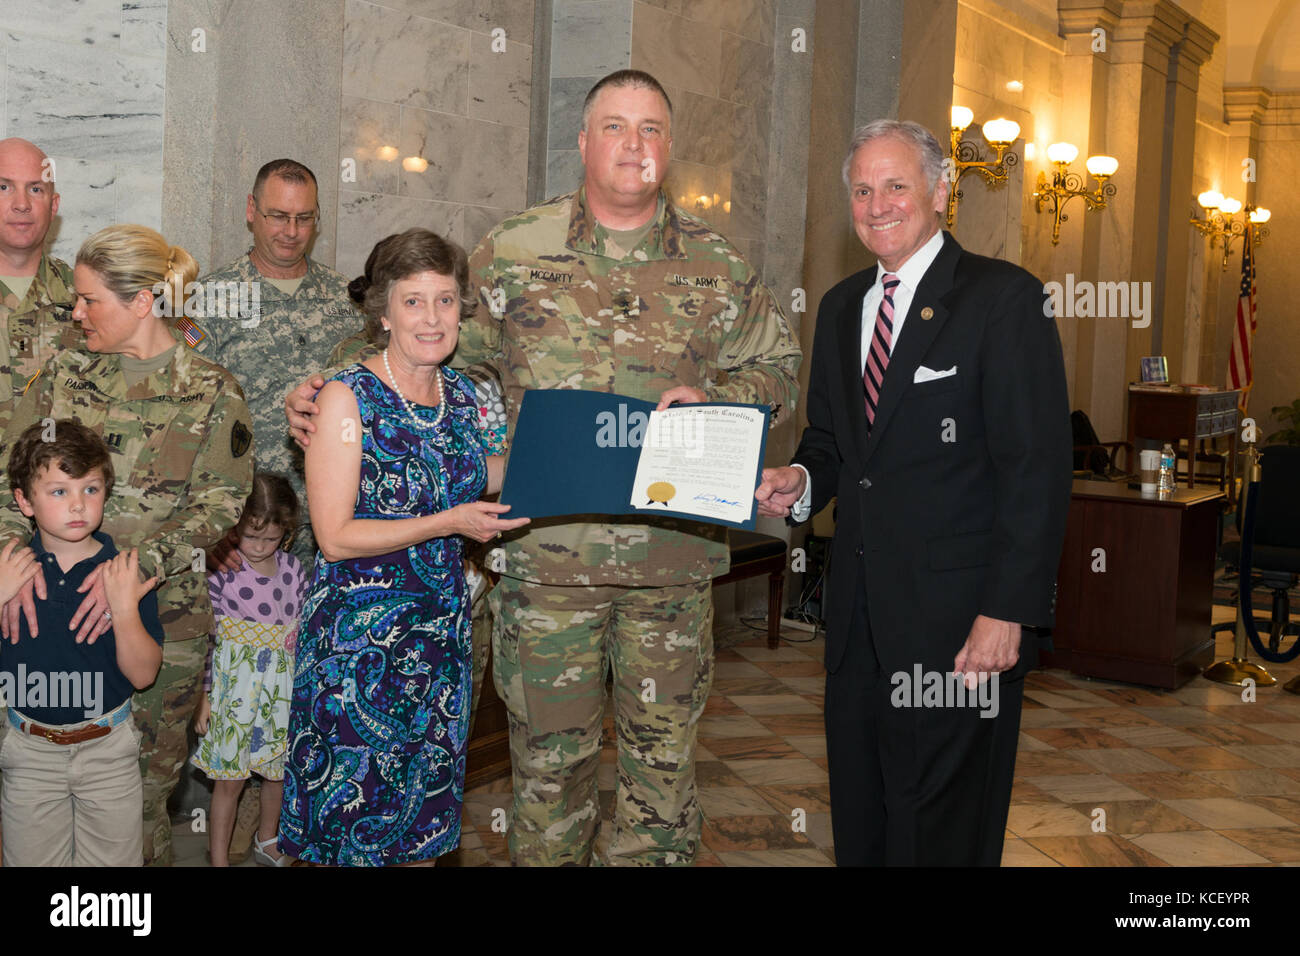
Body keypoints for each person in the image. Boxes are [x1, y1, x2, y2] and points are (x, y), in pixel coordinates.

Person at [287, 69, 801, 866]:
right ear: (585, 141)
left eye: (653, 128)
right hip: (546, 570)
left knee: (662, 786)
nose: (636, 145)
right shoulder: (516, 250)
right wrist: (334, 391)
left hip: (671, 566)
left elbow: (779, 366)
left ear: (672, 144)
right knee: (548, 780)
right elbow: (427, 341)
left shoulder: (719, 264)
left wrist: (717, 393)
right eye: (617, 127)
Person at [754, 120, 1072, 866]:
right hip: (857, 620)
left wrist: (1007, 611)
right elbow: (832, 447)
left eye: (896, 185)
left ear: (939, 190)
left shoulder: (1004, 299)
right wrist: (799, 481)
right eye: (862, 190)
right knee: (864, 816)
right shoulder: (839, 308)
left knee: (943, 829)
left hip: (960, 628)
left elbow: (1036, 469)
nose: (877, 204)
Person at [0, 223, 255, 866]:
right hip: (44, 611)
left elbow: (221, 504)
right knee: (37, 795)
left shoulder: (212, 390)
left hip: (160, 619)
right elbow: (12, 479)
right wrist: (11, 559)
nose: (76, 311)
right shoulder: (63, 373)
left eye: (90, 300)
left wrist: (129, 575)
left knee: (141, 799)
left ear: (142, 303)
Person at [279, 228, 526, 866]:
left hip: (440, 649)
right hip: (357, 653)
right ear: (383, 311)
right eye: (413, 301)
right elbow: (334, 537)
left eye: (445, 301)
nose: (432, 317)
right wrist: (448, 522)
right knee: (352, 833)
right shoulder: (344, 397)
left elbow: (490, 473)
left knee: (422, 833)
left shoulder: (468, 396)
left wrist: (575, 457)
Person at [0, 419, 164, 866]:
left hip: (107, 750)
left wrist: (125, 608)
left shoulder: (124, 570)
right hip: (29, 752)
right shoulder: (8, 572)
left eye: (90, 490)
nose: (78, 505)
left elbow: (144, 674)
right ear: (24, 501)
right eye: (58, 491)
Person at [196, 159, 362, 566]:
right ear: (251, 210)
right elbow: (189, 417)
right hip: (249, 528)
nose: (291, 231)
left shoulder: (350, 301)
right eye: (278, 216)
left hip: (338, 519)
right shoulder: (208, 298)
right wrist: (208, 522)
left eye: (304, 218)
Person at [193, 472, 304, 867]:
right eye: (250, 536)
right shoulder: (222, 572)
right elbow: (208, 641)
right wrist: (204, 698)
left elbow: (301, 633)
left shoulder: (293, 571)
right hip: (233, 689)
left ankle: (267, 839)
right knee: (231, 780)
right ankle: (218, 858)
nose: (258, 547)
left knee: (277, 773)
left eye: (269, 538)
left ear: (286, 533)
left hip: (280, 691)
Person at [0, 138, 80, 435]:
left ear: (53, 204)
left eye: (36, 189)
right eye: (3, 187)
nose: (22, 204)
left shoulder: (91, 300)